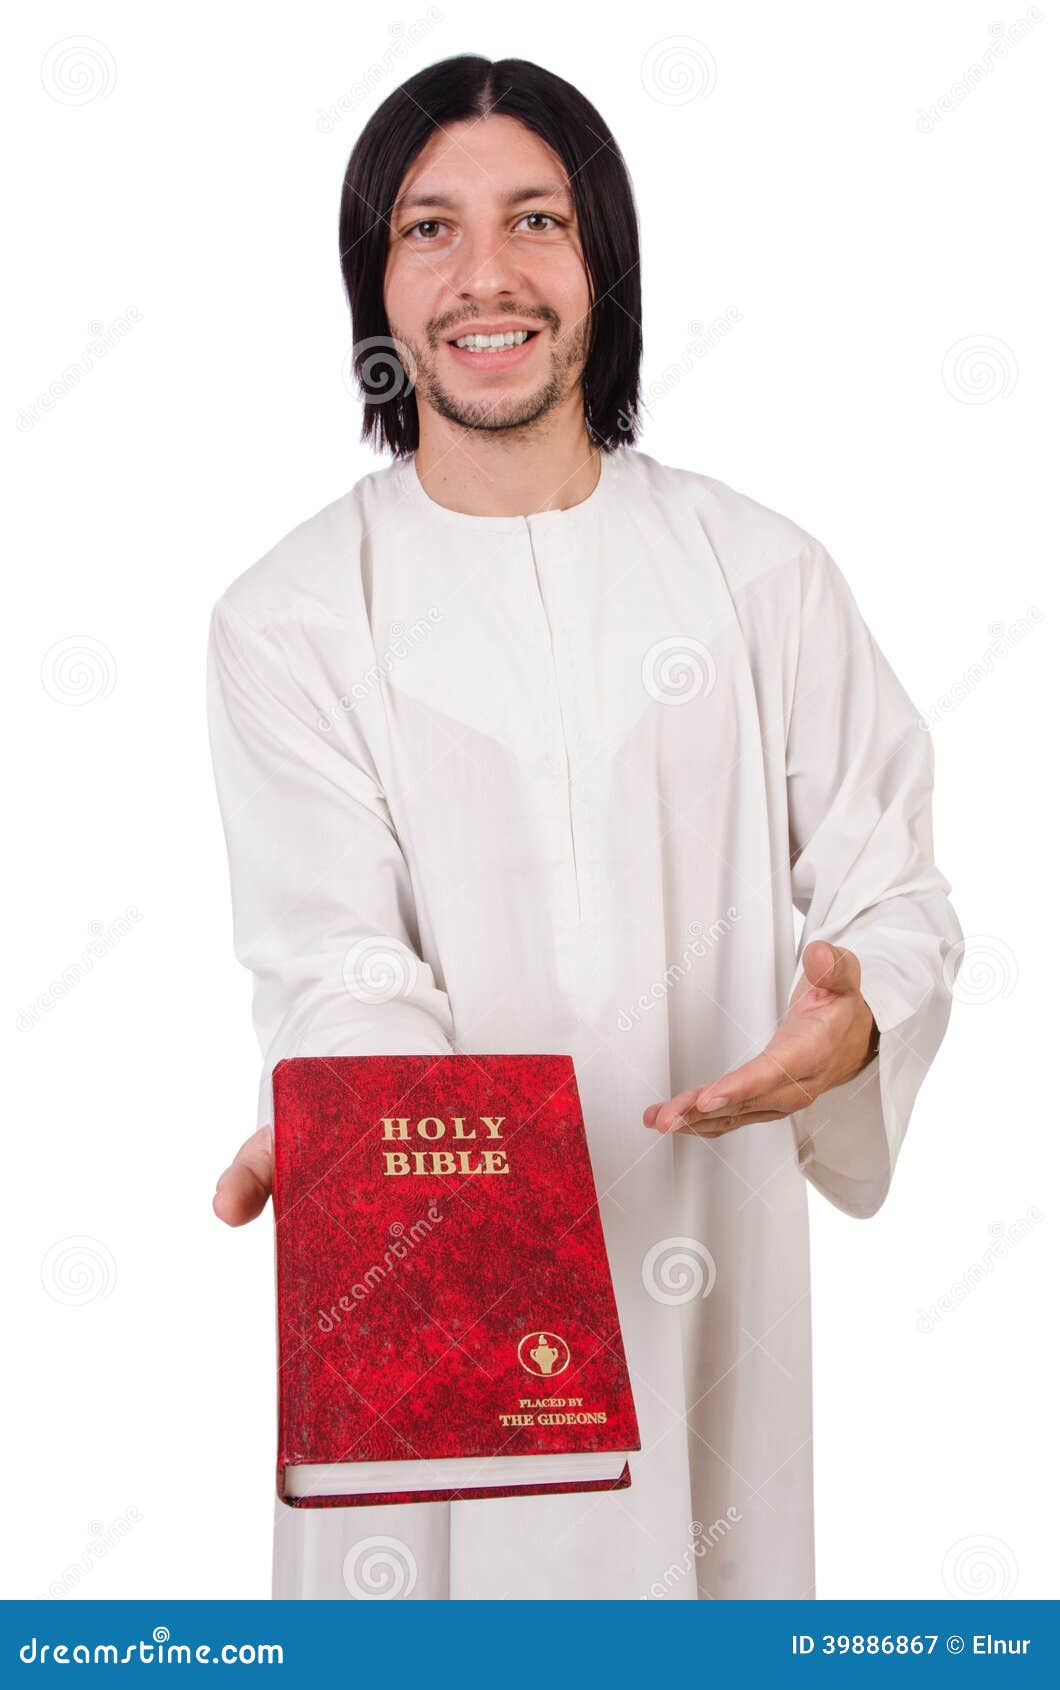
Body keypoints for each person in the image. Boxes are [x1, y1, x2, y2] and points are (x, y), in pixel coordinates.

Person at [205, 54, 963, 1601]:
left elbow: (895, 887)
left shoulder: (758, 576)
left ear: (602, 261)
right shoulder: (290, 617)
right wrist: (358, 1122)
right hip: (424, 1308)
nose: (489, 274)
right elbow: (335, 955)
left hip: (708, 1298)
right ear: (378, 283)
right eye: (430, 229)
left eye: (536, 218)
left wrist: (861, 1017)